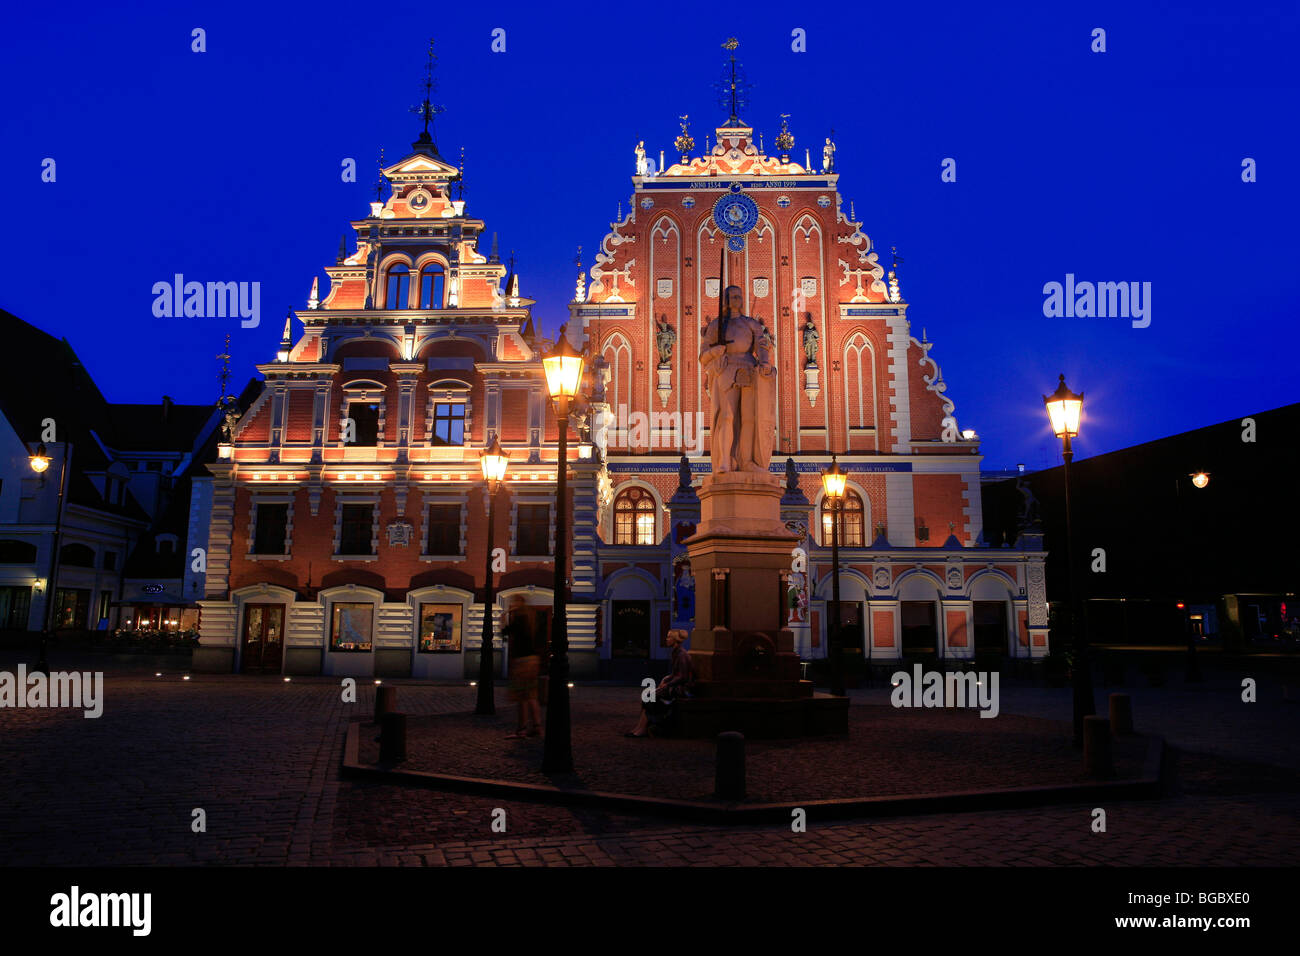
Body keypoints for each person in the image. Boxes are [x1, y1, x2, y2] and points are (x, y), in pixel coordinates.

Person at [698, 286, 777, 474]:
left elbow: (762, 343)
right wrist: (713, 352)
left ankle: (747, 460)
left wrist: (764, 361)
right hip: (726, 368)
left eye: (739, 296)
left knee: (749, 418)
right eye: (733, 297)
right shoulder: (716, 325)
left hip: (749, 368)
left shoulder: (750, 323)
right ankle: (725, 460)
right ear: (725, 300)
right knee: (727, 416)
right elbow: (703, 356)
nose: (737, 300)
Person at [625, 629, 695, 737]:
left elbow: (682, 676)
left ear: (675, 640)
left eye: (669, 637)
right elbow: (675, 674)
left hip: (681, 689)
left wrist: (667, 684)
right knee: (648, 697)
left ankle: (642, 728)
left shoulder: (682, 655)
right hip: (675, 686)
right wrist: (666, 679)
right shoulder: (676, 652)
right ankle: (640, 727)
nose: (666, 639)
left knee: (650, 697)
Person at [504, 598, 541, 738]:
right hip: (533, 660)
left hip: (521, 661)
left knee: (521, 697)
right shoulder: (531, 621)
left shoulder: (519, 620)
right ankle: (536, 726)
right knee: (531, 695)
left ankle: (521, 729)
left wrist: (505, 615)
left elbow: (504, 633)